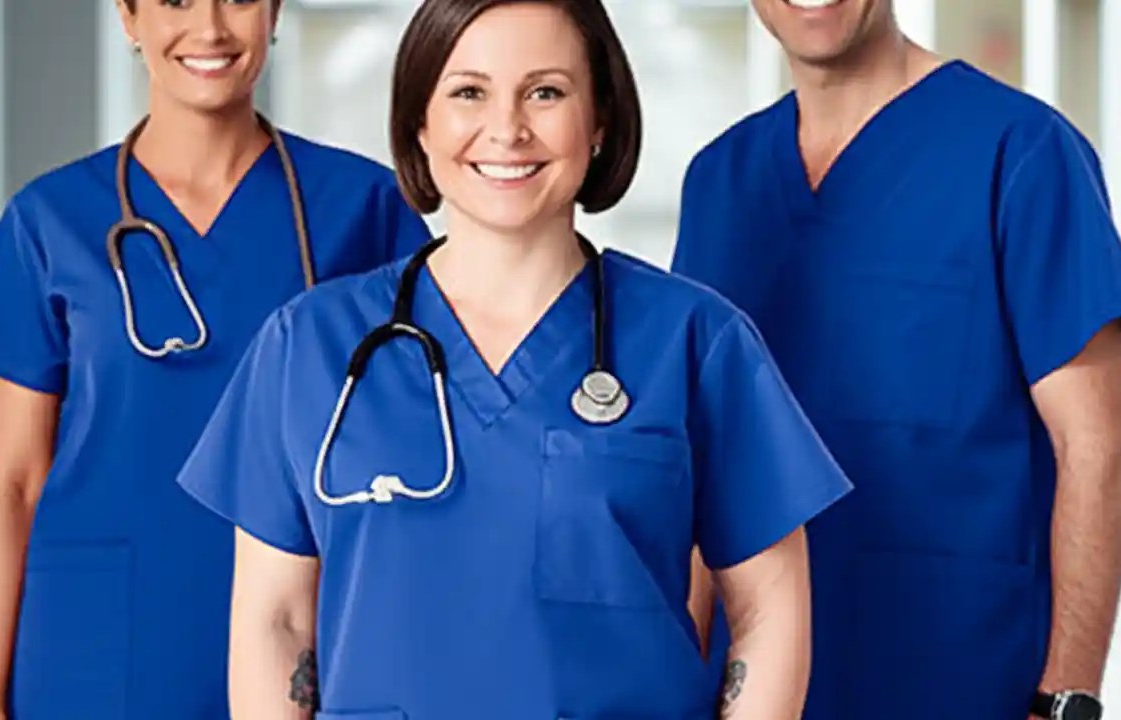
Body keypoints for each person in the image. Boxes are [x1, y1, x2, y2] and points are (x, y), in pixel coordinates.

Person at [175, 0, 852, 717]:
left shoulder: (695, 341)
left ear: (599, 122)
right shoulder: (309, 346)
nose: (507, 129)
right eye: (469, 92)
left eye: (546, 92)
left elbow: (770, 607)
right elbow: (275, 622)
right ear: (420, 123)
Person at [672, 1, 1121, 719]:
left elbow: (1096, 448)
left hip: (966, 677)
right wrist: (680, 684)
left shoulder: (1022, 151)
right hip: (760, 690)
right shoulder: (719, 180)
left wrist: (1065, 697)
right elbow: (705, 466)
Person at [0, 0, 430, 717]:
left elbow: (414, 457)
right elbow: (14, 480)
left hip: (302, 627)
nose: (209, 28)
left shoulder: (363, 208)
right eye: (175, 0)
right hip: (93, 642)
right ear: (127, 16)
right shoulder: (49, 221)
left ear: (272, 12)